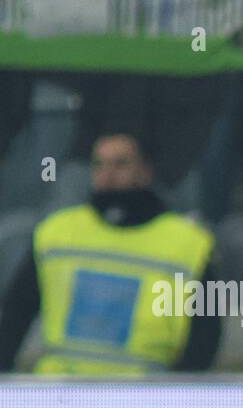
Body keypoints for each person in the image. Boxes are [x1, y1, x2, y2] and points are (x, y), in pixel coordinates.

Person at [0, 133, 222, 375]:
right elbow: (14, 317)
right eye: (99, 164)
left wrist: (173, 398)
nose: (108, 174)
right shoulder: (55, 235)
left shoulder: (188, 244)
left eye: (120, 164)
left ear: (145, 171)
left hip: (145, 399)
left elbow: (205, 339)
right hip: (61, 394)